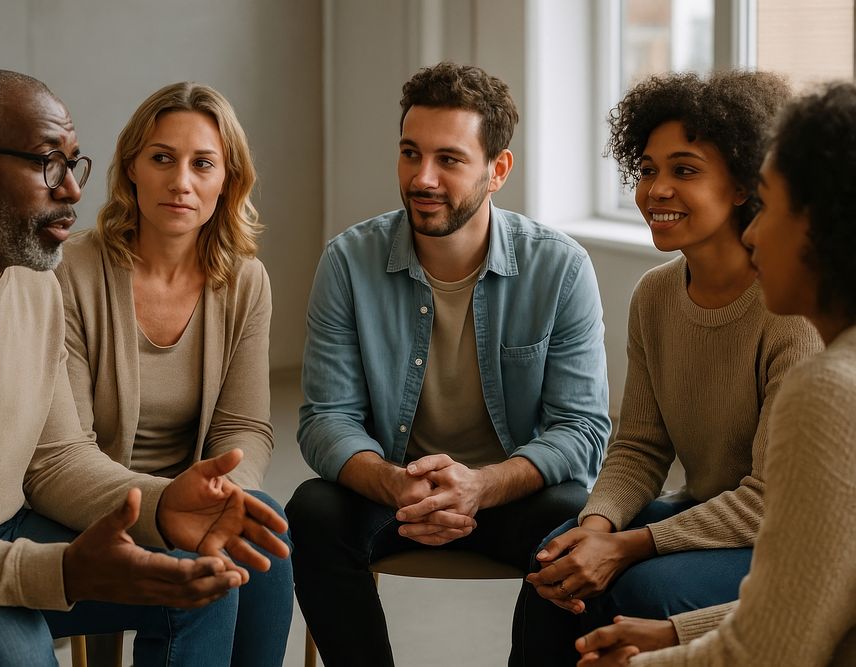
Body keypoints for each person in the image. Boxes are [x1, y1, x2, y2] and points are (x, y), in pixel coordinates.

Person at [0, 69, 289, 667]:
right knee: (19, 650)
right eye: (45, 164)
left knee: (199, 584)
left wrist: (164, 505)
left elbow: (57, 458)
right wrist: (55, 569)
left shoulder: (32, 281)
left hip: (5, 532)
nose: (72, 192)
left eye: (73, 164)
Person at [286, 61, 611, 666]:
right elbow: (325, 418)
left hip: (510, 492)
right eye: (410, 153)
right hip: (397, 491)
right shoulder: (348, 262)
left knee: (575, 521)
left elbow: (583, 429)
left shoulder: (560, 268)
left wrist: (481, 487)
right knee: (312, 509)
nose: (422, 177)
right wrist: (395, 483)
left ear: (498, 170)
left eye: (449, 160)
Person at [522, 71, 822, 664]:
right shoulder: (655, 295)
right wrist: (601, 526)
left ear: (742, 184)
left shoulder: (787, 311)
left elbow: (770, 499)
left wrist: (632, 546)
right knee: (559, 556)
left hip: (785, 540)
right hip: (704, 514)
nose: (656, 189)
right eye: (648, 169)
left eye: (684, 170)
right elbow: (638, 444)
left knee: (644, 589)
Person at [54, 81, 292, 666]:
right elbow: (67, 450)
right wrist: (169, 505)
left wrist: (226, 493)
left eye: (202, 163)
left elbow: (244, 426)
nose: (181, 181)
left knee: (268, 533)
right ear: (131, 167)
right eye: (162, 158)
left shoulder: (245, 280)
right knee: (212, 565)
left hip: (195, 500)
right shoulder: (71, 274)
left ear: (227, 180)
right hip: (91, 499)